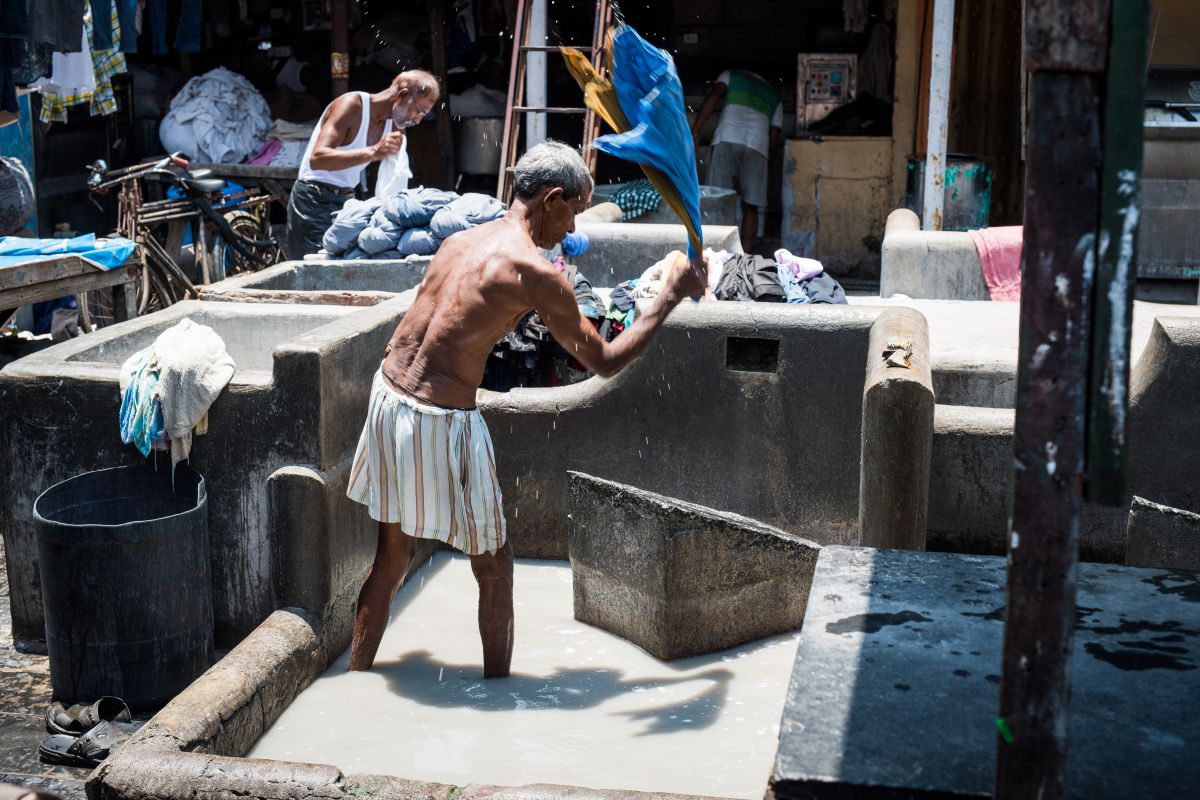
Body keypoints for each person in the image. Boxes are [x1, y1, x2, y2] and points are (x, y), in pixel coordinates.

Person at [344, 141, 708, 677]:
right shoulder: (535, 272)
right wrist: (667, 299)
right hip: (438, 420)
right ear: (552, 199)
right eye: (574, 214)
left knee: (391, 560)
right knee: (495, 569)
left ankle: (356, 683)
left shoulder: (459, 240)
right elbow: (603, 361)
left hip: (387, 396)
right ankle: (499, 699)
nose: (571, 231)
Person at [285, 69, 440, 259]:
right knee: (312, 272)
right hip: (312, 199)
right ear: (403, 95)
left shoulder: (393, 126)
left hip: (346, 200)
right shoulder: (352, 105)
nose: (418, 120)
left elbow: (394, 177)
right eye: (419, 111)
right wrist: (373, 152)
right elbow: (317, 159)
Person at [690, 69, 783, 252]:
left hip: (727, 137)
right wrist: (765, 165)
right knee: (751, 207)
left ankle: (715, 252)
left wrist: (696, 130)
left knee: (718, 199)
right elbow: (774, 141)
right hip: (758, 146)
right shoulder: (774, 96)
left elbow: (713, 97)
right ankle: (744, 256)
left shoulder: (730, 75)